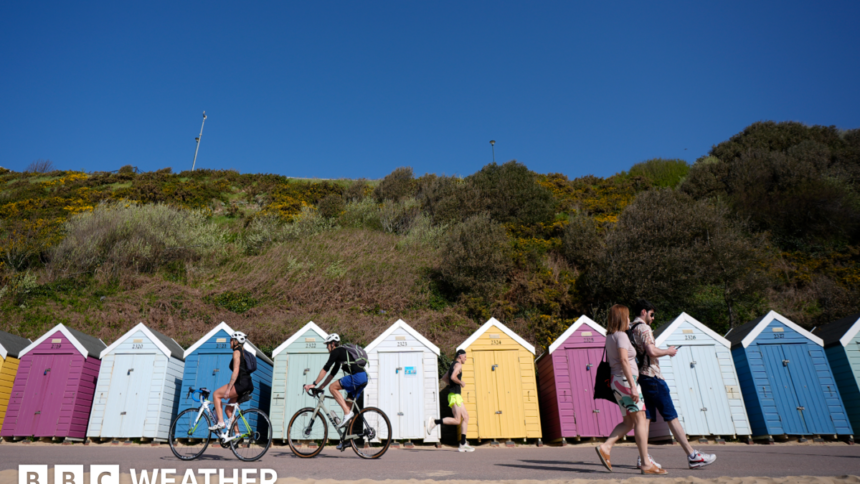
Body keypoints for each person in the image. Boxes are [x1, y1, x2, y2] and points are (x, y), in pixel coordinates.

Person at [630, 299, 716, 469]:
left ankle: (643, 456)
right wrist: (669, 351)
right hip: (653, 377)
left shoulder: (630, 329)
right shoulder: (644, 328)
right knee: (671, 416)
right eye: (652, 314)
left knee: (645, 419)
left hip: (641, 378)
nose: (653, 318)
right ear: (643, 312)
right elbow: (651, 351)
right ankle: (692, 455)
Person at [595, 304, 666, 475]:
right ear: (621, 318)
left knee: (629, 422)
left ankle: (606, 447)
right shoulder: (621, 336)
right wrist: (633, 387)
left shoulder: (611, 336)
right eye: (627, 317)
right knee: (641, 419)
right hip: (626, 382)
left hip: (617, 382)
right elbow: (624, 360)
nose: (629, 320)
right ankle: (646, 463)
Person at [303, 334, 368, 438]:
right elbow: (331, 374)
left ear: (332, 344)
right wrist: (320, 388)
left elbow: (326, 369)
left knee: (332, 388)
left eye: (327, 345)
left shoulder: (336, 351)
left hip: (357, 377)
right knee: (347, 406)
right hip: (363, 378)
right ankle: (346, 439)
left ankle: (347, 414)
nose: (326, 347)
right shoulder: (340, 355)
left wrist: (313, 384)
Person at [426, 349, 474, 452]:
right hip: (455, 396)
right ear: (460, 356)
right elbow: (453, 377)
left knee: (465, 417)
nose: (466, 358)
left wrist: (453, 384)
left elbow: (444, 378)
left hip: (455, 395)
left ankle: (463, 443)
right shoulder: (458, 365)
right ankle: (435, 421)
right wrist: (460, 382)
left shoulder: (453, 365)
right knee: (457, 420)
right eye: (465, 356)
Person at [209, 331, 254, 437]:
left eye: (231, 340)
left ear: (236, 341)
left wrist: (229, 389)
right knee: (229, 409)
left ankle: (220, 422)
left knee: (216, 394)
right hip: (248, 384)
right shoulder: (243, 352)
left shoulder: (236, 352)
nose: (230, 342)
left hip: (241, 384)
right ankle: (237, 434)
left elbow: (236, 371)